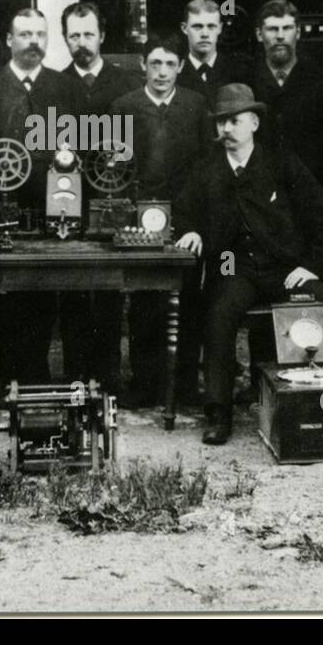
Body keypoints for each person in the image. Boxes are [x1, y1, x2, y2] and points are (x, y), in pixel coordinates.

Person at [174, 84, 323, 445]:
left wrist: (312, 267)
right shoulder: (207, 169)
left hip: (284, 267)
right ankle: (218, 413)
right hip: (235, 266)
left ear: (254, 122)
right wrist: (192, 232)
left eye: (234, 121)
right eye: (220, 123)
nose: (226, 130)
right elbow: (184, 210)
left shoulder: (280, 162)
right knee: (218, 314)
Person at [0, 8, 84, 386]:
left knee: (48, 292)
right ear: (9, 39)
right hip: (3, 207)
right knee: (8, 295)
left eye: (40, 34)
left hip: (54, 206)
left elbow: (79, 146)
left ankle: (44, 379)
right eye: (25, 34)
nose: (33, 42)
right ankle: (12, 381)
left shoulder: (65, 87)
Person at [111, 31, 210, 406]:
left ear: (181, 67)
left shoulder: (197, 105)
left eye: (170, 64)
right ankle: (144, 382)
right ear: (143, 66)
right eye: (155, 63)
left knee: (189, 300)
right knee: (144, 302)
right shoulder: (124, 107)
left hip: (186, 218)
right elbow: (112, 167)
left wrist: (197, 221)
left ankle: (184, 383)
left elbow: (206, 165)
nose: (162, 71)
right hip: (140, 215)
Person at [57, 2, 142, 386]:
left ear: (102, 36)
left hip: (115, 198)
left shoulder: (126, 84)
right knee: (72, 290)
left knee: (110, 292)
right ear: (65, 39)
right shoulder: (55, 85)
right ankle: (76, 377)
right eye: (74, 35)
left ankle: (107, 380)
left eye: (88, 34)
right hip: (68, 199)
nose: (82, 42)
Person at [249, 0, 323, 184]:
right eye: (272, 29)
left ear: (297, 33)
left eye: (287, 28)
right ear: (259, 34)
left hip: (308, 189)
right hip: (258, 188)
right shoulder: (246, 80)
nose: (280, 36)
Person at [176, 0, 249, 107]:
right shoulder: (175, 73)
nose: (205, 33)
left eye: (211, 26)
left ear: (219, 28)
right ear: (184, 28)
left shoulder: (238, 70)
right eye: (197, 26)